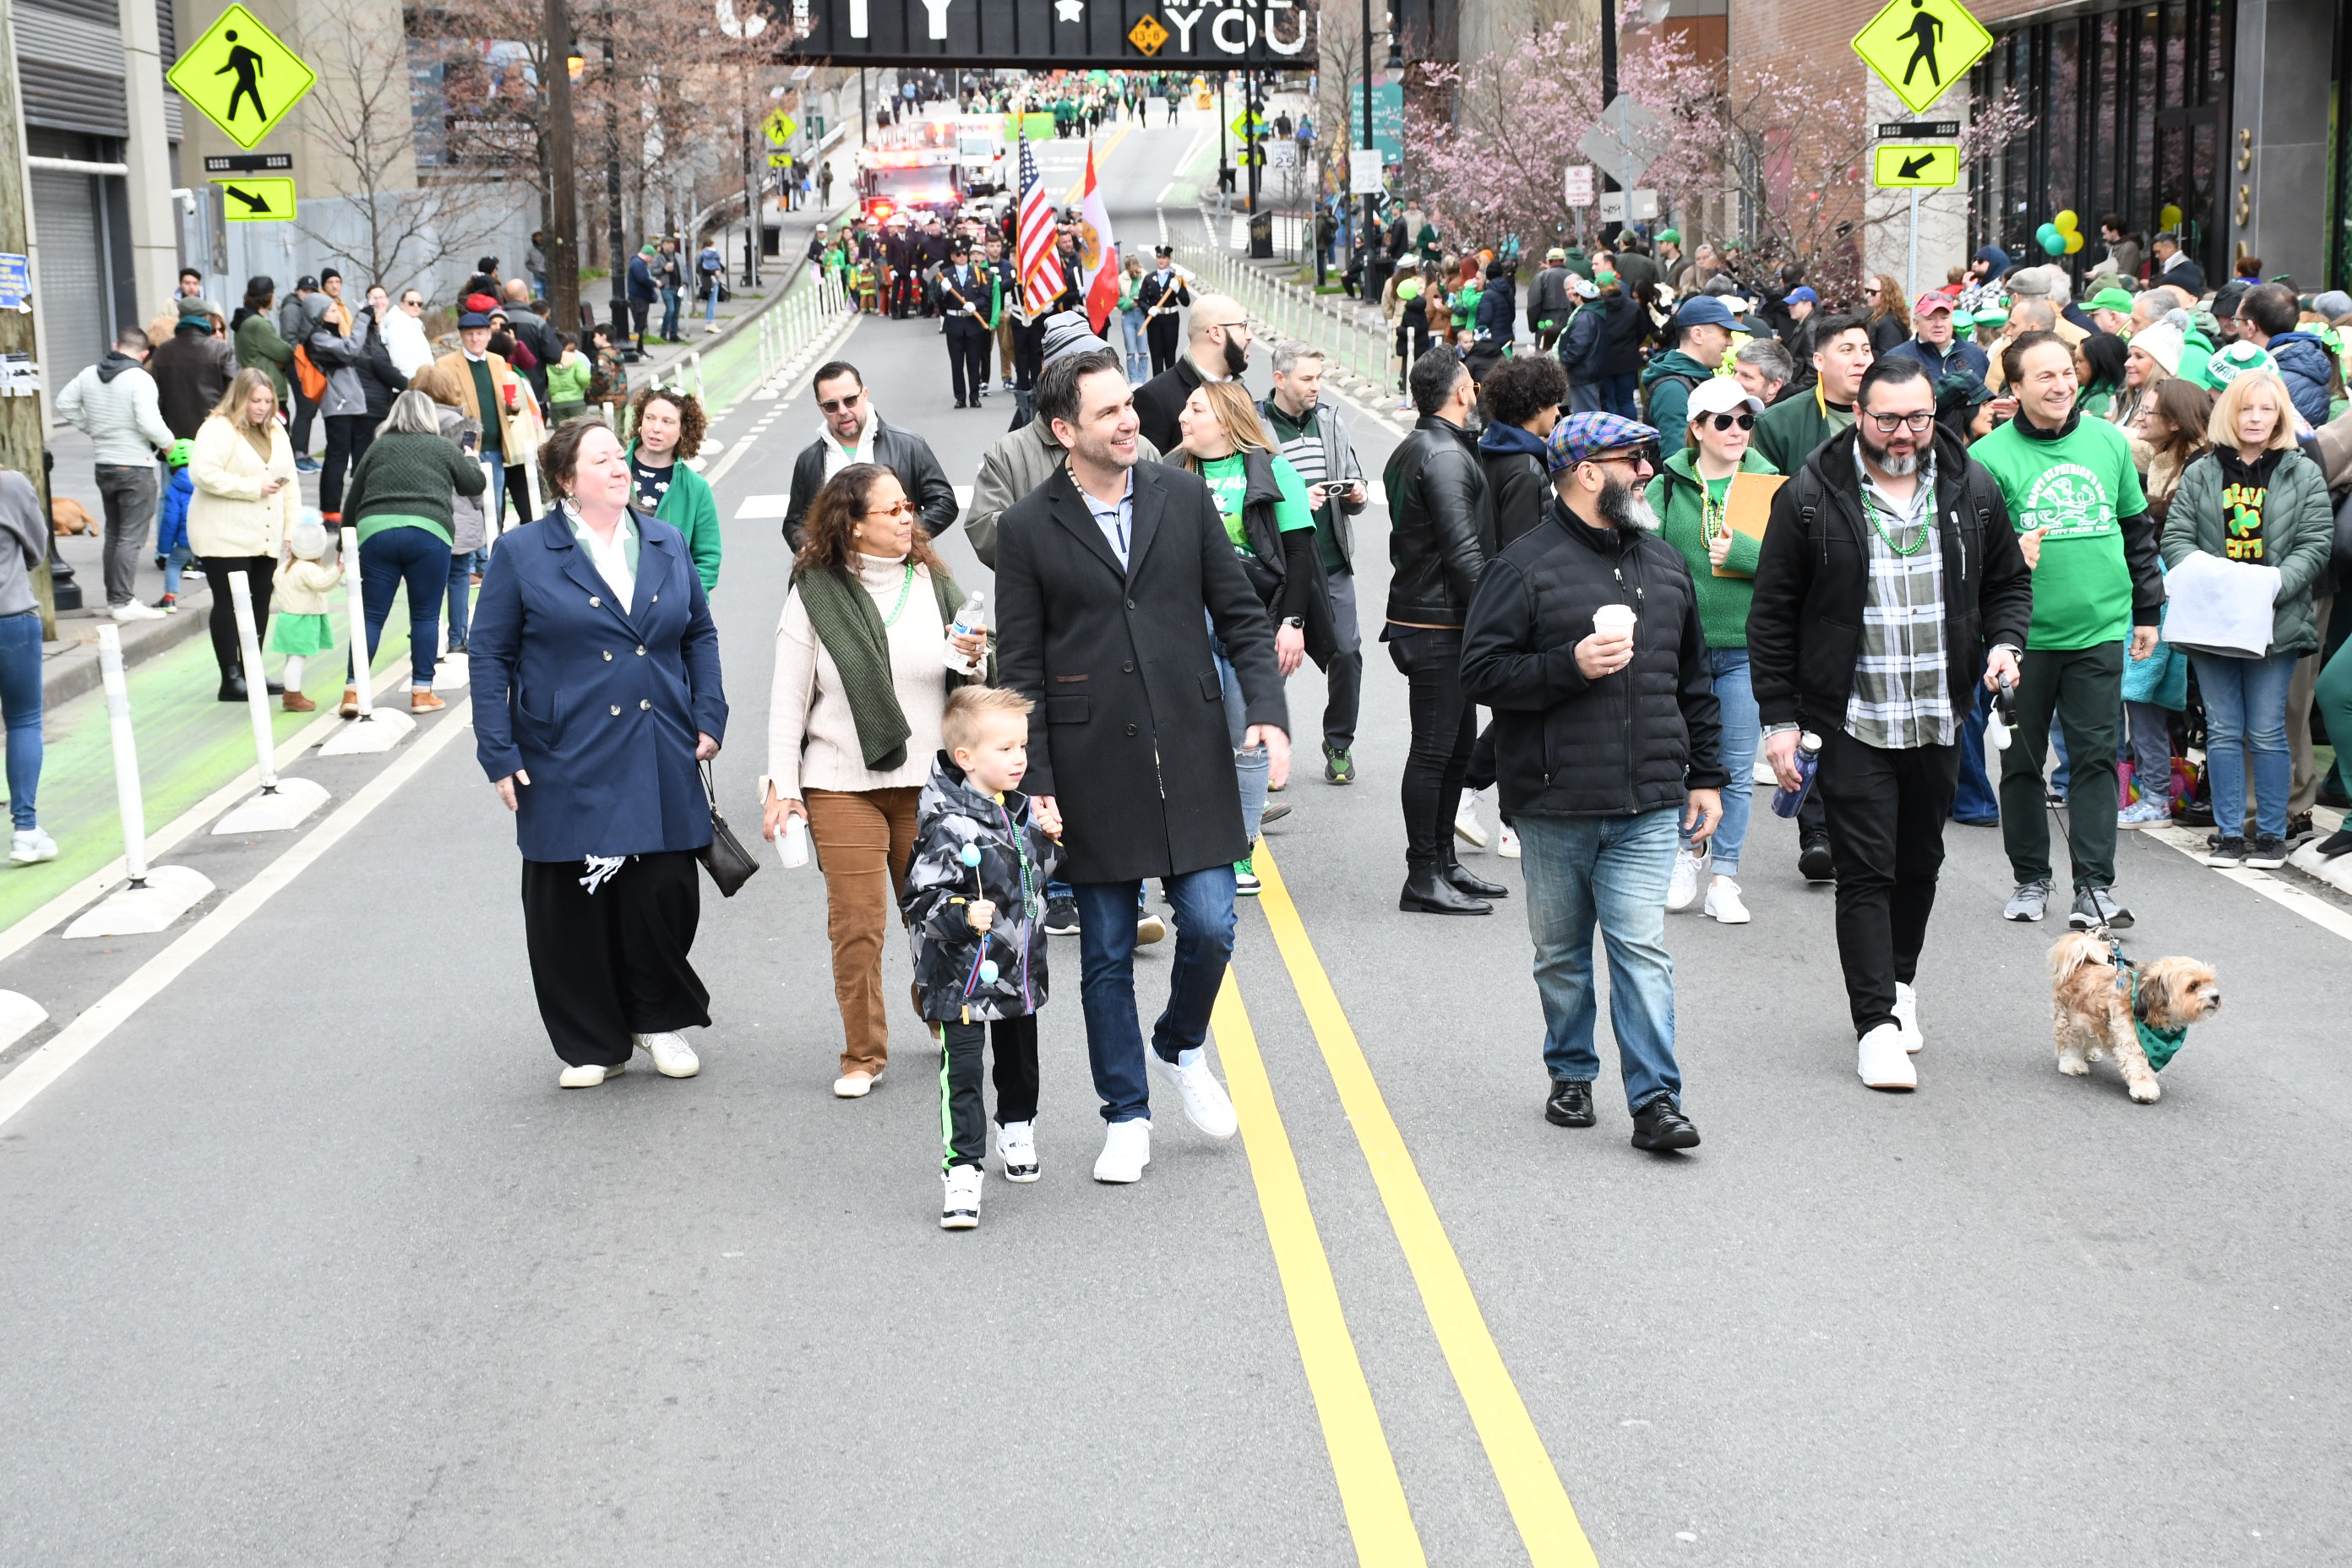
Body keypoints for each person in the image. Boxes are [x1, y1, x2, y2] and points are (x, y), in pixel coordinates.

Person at [991, 346, 1286, 1184]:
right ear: (1062, 430)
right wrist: (1035, 778)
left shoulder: (1183, 497)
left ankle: (1180, 1044)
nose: (1130, 421)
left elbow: (1238, 613)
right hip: (1089, 766)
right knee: (1108, 950)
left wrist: (1264, 705)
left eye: (1129, 405)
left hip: (1191, 749)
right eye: (1108, 413)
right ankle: (1126, 1112)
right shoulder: (1026, 529)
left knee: (1211, 921)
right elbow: (1020, 666)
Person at [1748, 357, 2033, 1091]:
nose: (1904, 434)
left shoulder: (1970, 486)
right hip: (1851, 719)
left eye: (1918, 418)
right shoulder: (1810, 495)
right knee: (1866, 873)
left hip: (1941, 716)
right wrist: (1779, 720)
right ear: (1858, 416)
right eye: (1887, 419)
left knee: (1920, 865)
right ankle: (1874, 1024)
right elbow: (1773, 614)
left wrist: (2004, 645)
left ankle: (1900, 984)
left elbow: (2007, 581)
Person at [1456, 411, 1721, 1149]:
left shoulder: (1665, 564)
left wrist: (1708, 776)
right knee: (1563, 954)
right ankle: (1571, 1074)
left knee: (1641, 949)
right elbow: (1479, 672)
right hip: (1554, 800)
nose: (1648, 471)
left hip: (1648, 800)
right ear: (1586, 472)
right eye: (1633, 459)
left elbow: (1693, 681)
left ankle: (1656, 1103)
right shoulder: (1523, 566)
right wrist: (1567, 666)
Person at [470, 418, 726, 1090]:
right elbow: (489, 653)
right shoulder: (523, 551)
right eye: (602, 458)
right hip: (563, 747)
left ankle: (654, 1016)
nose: (620, 466)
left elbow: (698, 632)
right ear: (566, 479)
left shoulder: (665, 540)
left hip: (659, 737)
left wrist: (709, 712)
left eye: (621, 456)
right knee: (570, 898)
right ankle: (594, 1040)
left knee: (665, 888)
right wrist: (497, 750)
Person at [761, 462, 988, 1098]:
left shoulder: (935, 583)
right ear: (853, 526)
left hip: (927, 784)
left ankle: (940, 1007)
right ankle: (862, 1053)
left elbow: (968, 684)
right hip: (840, 783)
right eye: (890, 510)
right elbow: (788, 699)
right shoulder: (814, 592)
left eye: (907, 506)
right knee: (858, 925)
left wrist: (975, 656)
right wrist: (784, 787)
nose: (906, 516)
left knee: (936, 916)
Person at [1970, 329, 2163, 928]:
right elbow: (1968, 557)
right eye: (2045, 376)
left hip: (2100, 628)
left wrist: (2148, 612)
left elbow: (2137, 532)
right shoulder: (1989, 458)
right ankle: (2031, 879)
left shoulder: (2108, 442)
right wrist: (2009, 560)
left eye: (2067, 372)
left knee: (2096, 757)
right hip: (2021, 638)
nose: (2061, 385)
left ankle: (2095, 886)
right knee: (2025, 762)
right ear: (2018, 387)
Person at [901, 685, 1060, 1228]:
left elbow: (1031, 881)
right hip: (960, 979)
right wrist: (962, 913)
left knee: (1020, 1063)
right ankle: (962, 1169)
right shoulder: (946, 823)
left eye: (1022, 745)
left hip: (1015, 969)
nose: (1020, 758)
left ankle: (1016, 1127)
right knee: (963, 1073)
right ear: (965, 757)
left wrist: (1048, 845)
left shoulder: (1018, 812)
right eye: (1005, 749)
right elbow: (918, 903)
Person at [2161, 368, 2334, 868]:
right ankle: (2230, 834)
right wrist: (2221, 584)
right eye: (2244, 408)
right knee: (2222, 729)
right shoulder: (2202, 470)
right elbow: (2176, 538)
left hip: (2275, 620)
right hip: (2213, 620)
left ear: (2280, 413)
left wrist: (2273, 586)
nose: (2255, 418)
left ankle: (2273, 835)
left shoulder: (2303, 471)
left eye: (2265, 408)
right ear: (2228, 413)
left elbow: (2315, 543)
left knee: (2266, 730)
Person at [1174, 378, 1325, 892]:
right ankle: (1200, 840)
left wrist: (1293, 622)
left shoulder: (1270, 468)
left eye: (1195, 409)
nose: (1183, 418)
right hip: (1189, 624)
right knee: (1194, 737)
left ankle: (1241, 847)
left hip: (1252, 620)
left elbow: (1301, 553)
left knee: (1248, 738)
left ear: (1225, 418)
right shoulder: (1171, 473)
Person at [1649, 376, 1782, 926]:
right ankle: (1689, 851)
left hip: (1747, 648)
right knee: (1683, 760)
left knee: (1734, 767)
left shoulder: (1771, 484)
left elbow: (1799, 567)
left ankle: (1724, 875)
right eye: (1723, 421)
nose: (1736, 431)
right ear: (1696, 428)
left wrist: (1748, 553)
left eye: (1745, 421)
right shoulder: (1666, 485)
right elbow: (1641, 555)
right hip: (1681, 647)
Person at [1384, 347, 1499, 915]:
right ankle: (1422, 875)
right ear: (1461, 392)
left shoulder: (1419, 446)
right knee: (1434, 752)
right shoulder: (1445, 455)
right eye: (1472, 385)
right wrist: (1499, 619)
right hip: (1438, 624)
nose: (1476, 393)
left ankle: (1445, 862)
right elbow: (1463, 553)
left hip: (1434, 619)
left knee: (1454, 751)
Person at [1259, 345, 1371, 785]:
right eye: (1307, 378)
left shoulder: (1331, 420)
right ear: (1280, 378)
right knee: (1273, 662)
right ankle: (1267, 752)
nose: (1316, 386)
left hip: (1332, 564)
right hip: (1280, 568)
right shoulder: (1255, 423)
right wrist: (1292, 500)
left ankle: (1338, 743)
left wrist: (1357, 493)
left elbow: (1354, 473)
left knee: (1347, 652)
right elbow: (1252, 491)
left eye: (1319, 377)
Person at [338, 389, 487, 715]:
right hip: (428, 533)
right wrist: (471, 458)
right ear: (429, 416)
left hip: (375, 533)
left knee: (372, 616)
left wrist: (343, 545)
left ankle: (353, 690)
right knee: (425, 614)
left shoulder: (377, 448)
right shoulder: (443, 447)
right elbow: (474, 485)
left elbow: (354, 498)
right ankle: (421, 692)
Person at [187, 369, 299, 701]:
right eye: (255, 401)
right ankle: (230, 677)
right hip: (223, 532)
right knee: (230, 602)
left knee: (261, 599)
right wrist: (252, 487)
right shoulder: (218, 428)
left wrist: (290, 530)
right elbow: (202, 473)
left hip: (263, 534)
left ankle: (252, 668)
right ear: (240, 398)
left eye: (267, 401)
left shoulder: (276, 430)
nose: (262, 408)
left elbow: (288, 482)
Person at [55, 326, 176, 622]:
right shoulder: (140, 379)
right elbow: (149, 422)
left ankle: (115, 598)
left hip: (104, 465)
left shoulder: (88, 374)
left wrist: (93, 428)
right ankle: (123, 602)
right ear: (145, 353)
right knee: (131, 537)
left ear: (115, 345)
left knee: (114, 533)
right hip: (135, 465)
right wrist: (169, 444)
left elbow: (64, 404)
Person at [781, 361, 958, 545]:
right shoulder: (809, 460)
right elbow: (794, 523)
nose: (843, 411)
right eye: (831, 405)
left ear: (864, 395)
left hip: (899, 567)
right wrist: (814, 549)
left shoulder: (910, 446)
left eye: (850, 400)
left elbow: (944, 503)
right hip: (833, 571)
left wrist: (903, 534)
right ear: (821, 407)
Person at [411, 362, 489, 656]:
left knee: (423, 580)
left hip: (420, 509)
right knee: (458, 575)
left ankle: (423, 639)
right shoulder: (464, 427)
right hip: (457, 509)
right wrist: (478, 507)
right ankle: (458, 638)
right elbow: (471, 474)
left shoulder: (409, 425)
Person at [435, 309, 525, 534]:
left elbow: (506, 406)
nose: (475, 339)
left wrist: (512, 407)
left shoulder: (497, 361)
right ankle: (475, 561)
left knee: (494, 506)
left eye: (480, 333)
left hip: (495, 446)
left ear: (488, 335)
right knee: (467, 508)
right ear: (461, 337)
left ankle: (490, 560)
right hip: (463, 446)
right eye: (469, 334)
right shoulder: (445, 365)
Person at [0, 471, 52, 865]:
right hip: (11, 616)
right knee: (23, 721)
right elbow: (37, 548)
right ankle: (26, 830)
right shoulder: (11, 485)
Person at [623, 387, 721, 592]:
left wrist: (687, 602)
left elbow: (707, 557)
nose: (655, 428)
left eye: (667, 422)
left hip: (670, 607)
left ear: (683, 430)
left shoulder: (696, 488)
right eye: (650, 418)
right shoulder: (613, 469)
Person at [1753, 312, 1872, 478]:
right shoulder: (1776, 424)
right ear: (1819, 361)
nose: (1861, 360)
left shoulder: (1893, 416)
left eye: (1866, 350)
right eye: (1847, 350)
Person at [1133, 291, 1250, 455]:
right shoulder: (1154, 398)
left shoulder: (1240, 391)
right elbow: (1148, 474)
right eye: (1243, 326)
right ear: (1216, 333)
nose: (1249, 336)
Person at [1477, 352, 1567, 547]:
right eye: (1553, 404)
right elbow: (1520, 550)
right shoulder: (1525, 471)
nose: (1558, 412)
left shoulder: (1489, 450)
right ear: (1537, 408)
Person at [266, 518, 343, 712]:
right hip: (302, 618)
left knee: (291, 657)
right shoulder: (308, 568)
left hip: (288, 617)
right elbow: (322, 584)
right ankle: (293, 695)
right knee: (297, 658)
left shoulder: (285, 568)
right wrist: (339, 570)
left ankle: (290, 693)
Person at [2234, 283, 2333, 430]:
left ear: (2250, 327)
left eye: (2237, 320)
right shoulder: (2308, 361)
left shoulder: (2272, 378)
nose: (2236, 327)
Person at [1640, 296, 1736, 436]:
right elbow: (1677, 455)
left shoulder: (1697, 378)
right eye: (1726, 334)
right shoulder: (1673, 390)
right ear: (1698, 335)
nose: (1731, 342)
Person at [149, 299, 237, 441]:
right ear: (206, 319)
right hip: (215, 435)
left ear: (180, 318)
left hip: (175, 441)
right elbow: (236, 392)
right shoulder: (220, 349)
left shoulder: (162, 352)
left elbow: (156, 399)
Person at [937, 239, 993, 409]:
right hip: (954, 322)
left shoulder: (976, 272)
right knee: (957, 362)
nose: (962, 257)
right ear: (952, 256)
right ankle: (960, 397)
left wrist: (975, 305)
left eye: (964, 254)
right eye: (958, 254)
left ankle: (974, 396)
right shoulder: (945, 274)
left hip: (972, 323)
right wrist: (943, 291)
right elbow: (938, 302)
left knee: (974, 362)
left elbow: (985, 296)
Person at [1886, 291, 1988, 385]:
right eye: (1930, 319)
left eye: (1944, 318)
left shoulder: (1976, 355)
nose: (1939, 325)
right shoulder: (1897, 360)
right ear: (1916, 322)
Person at [232, 277, 295, 410]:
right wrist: (280, 362)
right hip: (268, 393)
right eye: (273, 294)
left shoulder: (245, 319)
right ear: (268, 297)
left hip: (255, 389)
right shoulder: (258, 324)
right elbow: (287, 354)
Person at [2109, 320, 2180, 435]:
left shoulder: (2168, 405)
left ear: (2161, 365)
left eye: (2139, 357)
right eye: (2130, 356)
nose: (2127, 363)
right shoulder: (2126, 395)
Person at [1527, 248, 1574, 351]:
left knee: (1544, 358)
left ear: (1548, 261)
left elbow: (1533, 306)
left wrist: (1533, 327)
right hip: (1569, 322)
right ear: (1564, 260)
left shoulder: (1540, 277)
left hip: (1545, 325)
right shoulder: (1573, 276)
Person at [1115, 255, 1150, 382]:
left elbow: (1151, 295)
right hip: (1128, 314)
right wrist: (1130, 303)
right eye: (1132, 271)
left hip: (1142, 314)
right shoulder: (1121, 279)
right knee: (1130, 350)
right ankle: (1133, 380)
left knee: (1143, 350)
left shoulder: (1145, 276)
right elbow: (1117, 300)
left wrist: (1142, 303)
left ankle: (1142, 380)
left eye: (1136, 270)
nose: (1135, 273)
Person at [545, 334, 592, 423]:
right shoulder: (576, 361)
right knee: (580, 429)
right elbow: (584, 379)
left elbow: (545, 381)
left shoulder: (548, 364)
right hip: (576, 400)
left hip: (556, 402)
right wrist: (582, 388)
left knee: (561, 433)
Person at [1863, 274, 1911, 355]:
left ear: (1886, 294)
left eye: (1873, 292)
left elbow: (1889, 356)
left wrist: (1864, 351)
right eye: (1867, 291)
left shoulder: (1890, 322)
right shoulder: (1875, 317)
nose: (1868, 295)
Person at [2151, 231, 2206, 298]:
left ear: (2171, 247)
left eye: (2158, 252)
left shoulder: (2187, 270)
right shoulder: (2187, 268)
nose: (2156, 256)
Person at [656, 239, 686, 344]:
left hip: (678, 287)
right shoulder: (659, 258)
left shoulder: (678, 256)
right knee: (670, 310)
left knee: (676, 312)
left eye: (672, 244)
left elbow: (683, 269)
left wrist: (685, 282)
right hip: (667, 288)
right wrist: (664, 269)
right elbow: (653, 271)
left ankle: (674, 334)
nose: (671, 246)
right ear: (663, 245)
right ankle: (664, 333)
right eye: (668, 244)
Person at [697, 237, 726, 333]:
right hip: (712, 280)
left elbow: (700, 268)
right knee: (712, 302)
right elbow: (720, 266)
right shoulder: (714, 255)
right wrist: (716, 271)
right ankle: (711, 323)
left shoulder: (701, 256)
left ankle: (709, 323)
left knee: (711, 301)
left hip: (706, 281)